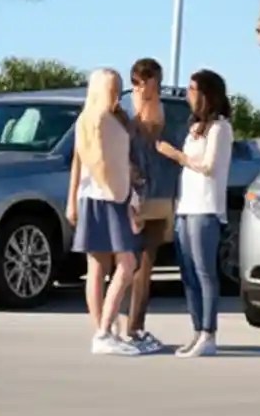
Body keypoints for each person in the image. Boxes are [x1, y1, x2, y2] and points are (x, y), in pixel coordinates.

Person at [65, 68, 144, 356]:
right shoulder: (92, 119)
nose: (116, 93)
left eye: (118, 87)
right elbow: (84, 161)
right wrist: (73, 199)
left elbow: (118, 160)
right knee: (120, 264)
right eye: (112, 87)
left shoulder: (109, 118)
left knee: (106, 267)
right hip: (104, 197)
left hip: (111, 195)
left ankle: (104, 332)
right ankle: (103, 331)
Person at [156, 69, 233, 358]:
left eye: (192, 89)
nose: (188, 94)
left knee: (204, 271)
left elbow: (209, 166)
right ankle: (197, 329)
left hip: (206, 208)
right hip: (186, 207)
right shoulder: (196, 127)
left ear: (206, 94)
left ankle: (209, 332)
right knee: (187, 272)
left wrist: (176, 155)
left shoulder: (220, 129)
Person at [121, 57, 181, 354]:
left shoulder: (162, 110)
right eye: (142, 81)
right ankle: (124, 327)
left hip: (156, 195)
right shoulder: (127, 110)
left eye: (149, 80)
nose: (145, 87)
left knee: (144, 263)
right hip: (133, 196)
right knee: (129, 263)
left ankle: (134, 326)